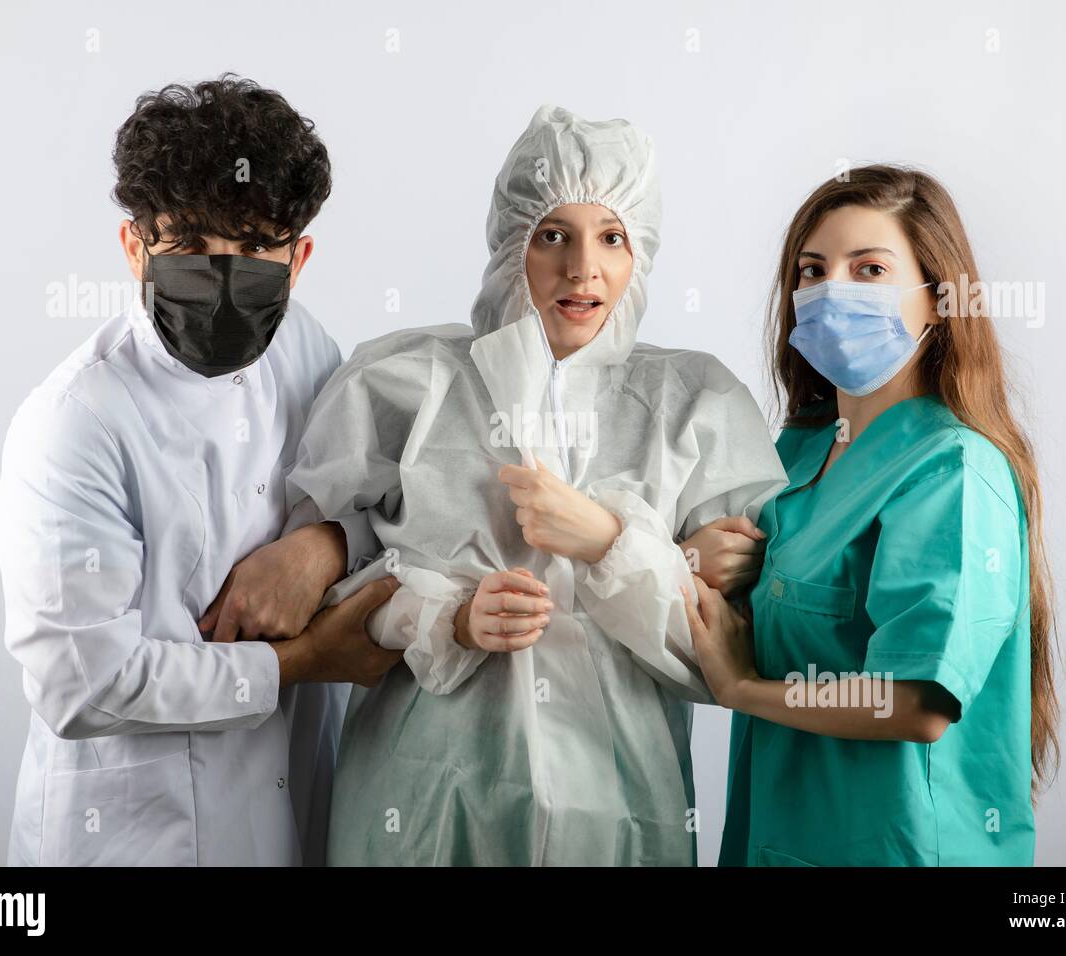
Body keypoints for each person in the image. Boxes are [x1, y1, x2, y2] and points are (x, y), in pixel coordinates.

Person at [282, 105, 787, 865]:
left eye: (611, 238)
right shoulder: (407, 384)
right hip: (425, 801)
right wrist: (445, 616)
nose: (584, 268)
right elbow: (311, 594)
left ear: (638, 252)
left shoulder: (694, 408)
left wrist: (613, 544)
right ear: (512, 242)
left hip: (618, 808)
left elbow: (737, 657)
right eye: (554, 235)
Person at [0, 75, 401, 867]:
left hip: (286, 822)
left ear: (298, 257)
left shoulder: (307, 350)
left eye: (252, 249)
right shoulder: (75, 422)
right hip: (133, 837)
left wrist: (324, 546)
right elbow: (83, 684)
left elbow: (384, 494)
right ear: (133, 247)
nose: (221, 280)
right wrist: (301, 663)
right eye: (188, 248)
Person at [684, 165, 1061, 866]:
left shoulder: (953, 468)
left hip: (901, 848)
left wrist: (744, 689)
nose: (833, 293)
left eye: (870, 269)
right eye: (813, 270)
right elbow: (698, 624)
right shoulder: (792, 456)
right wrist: (688, 559)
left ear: (938, 298)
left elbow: (918, 703)